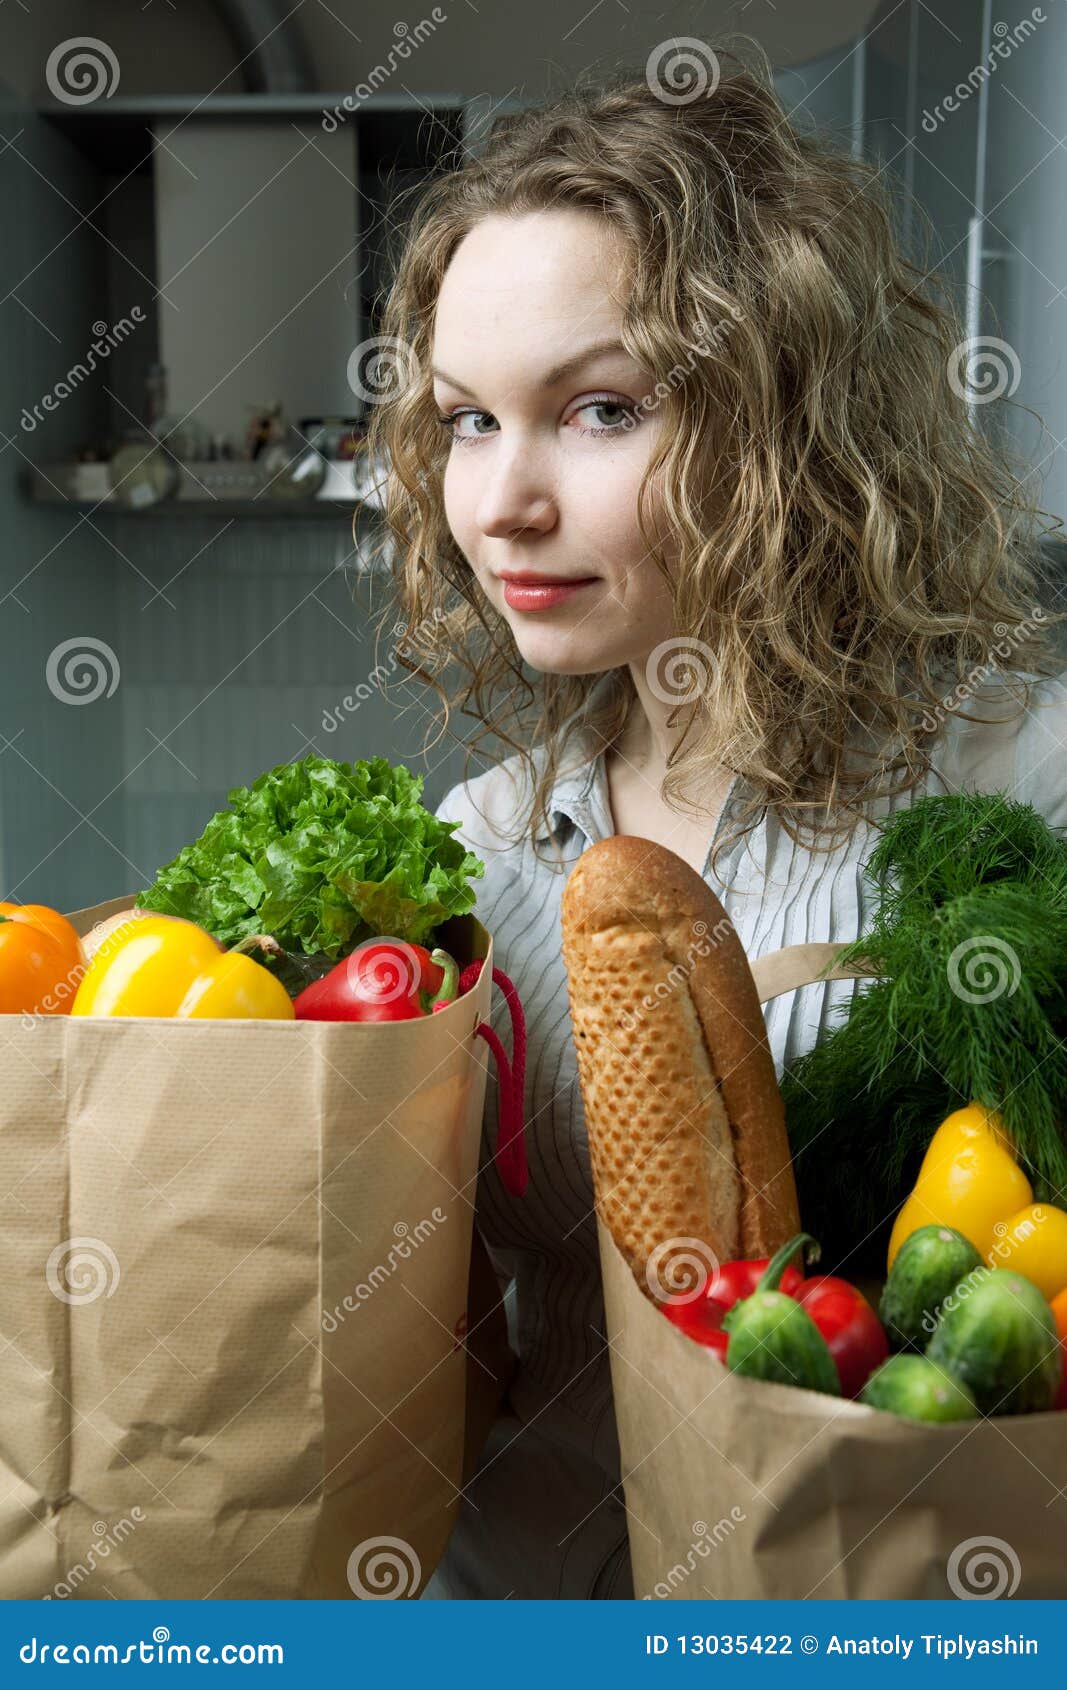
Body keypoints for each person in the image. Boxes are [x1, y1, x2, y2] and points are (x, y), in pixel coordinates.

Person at [362, 50, 1067, 1599]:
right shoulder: (475, 851)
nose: (502, 503)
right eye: (468, 421)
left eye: (598, 409)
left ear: (788, 421)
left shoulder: (1017, 781)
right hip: (512, 1600)